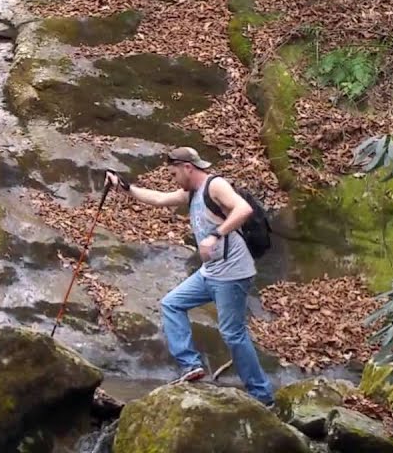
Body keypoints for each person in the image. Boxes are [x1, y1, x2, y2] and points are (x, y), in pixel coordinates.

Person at [105, 146, 275, 405]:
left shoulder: (215, 186)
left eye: (174, 173)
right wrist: (124, 187)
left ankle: (262, 396)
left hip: (232, 273)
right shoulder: (191, 193)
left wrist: (215, 235)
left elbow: (243, 210)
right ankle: (191, 366)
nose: (173, 179)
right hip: (210, 273)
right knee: (172, 304)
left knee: (232, 333)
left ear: (188, 168)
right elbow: (159, 199)